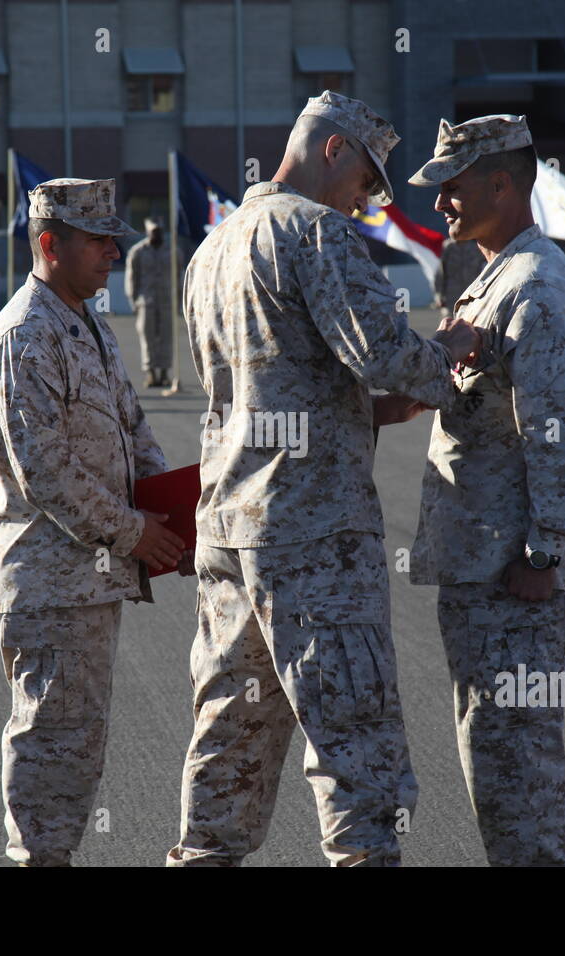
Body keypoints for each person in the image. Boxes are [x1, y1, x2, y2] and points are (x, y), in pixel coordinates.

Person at [166, 91, 482, 867]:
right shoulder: (315, 232)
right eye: (369, 182)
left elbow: (260, 392)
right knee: (357, 748)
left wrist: (365, 414)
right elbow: (383, 349)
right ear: (335, 150)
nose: (368, 201)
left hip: (229, 530)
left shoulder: (213, 247)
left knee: (229, 747)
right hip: (312, 536)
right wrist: (452, 350)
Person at [405, 114, 565, 865]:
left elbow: (560, 435)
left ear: (503, 183)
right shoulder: (496, 279)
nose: (441, 204)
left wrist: (545, 555)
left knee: (519, 782)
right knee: (498, 770)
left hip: (513, 582)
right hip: (485, 573)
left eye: (452, 188)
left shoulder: (536, 290)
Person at [0, 177, 188, 866]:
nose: (112, 252)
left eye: (112, 238)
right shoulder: (23, 338)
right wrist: (136, 533)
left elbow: (132, 424)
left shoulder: (87, 323)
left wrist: (167, 506)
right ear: (48, 244)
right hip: (49, 581)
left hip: (88, 581)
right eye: (97, 241)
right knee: (49, 745)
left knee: (79, 744)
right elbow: (49, 476)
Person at [124, 216, 180, 387]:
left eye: (160, 231)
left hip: (166, 300)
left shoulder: (173, 251)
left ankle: (164, 372)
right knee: (147, 337)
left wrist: (179, 299)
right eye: (154, 232)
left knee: (166, 337)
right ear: (147, 232)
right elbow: (131, 278)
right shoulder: (138, 252)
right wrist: (133, 300)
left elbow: (179, 276)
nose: (157, 235)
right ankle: (150, 372)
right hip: (145, 301)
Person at [434, 235, 486, 321]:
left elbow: (484, 270)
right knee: (450, 325)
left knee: (472, 324)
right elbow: (441, 272)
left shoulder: (476, 247)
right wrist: (439, 295)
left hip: (472, 294)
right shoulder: (448, 247)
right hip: (451, 295)